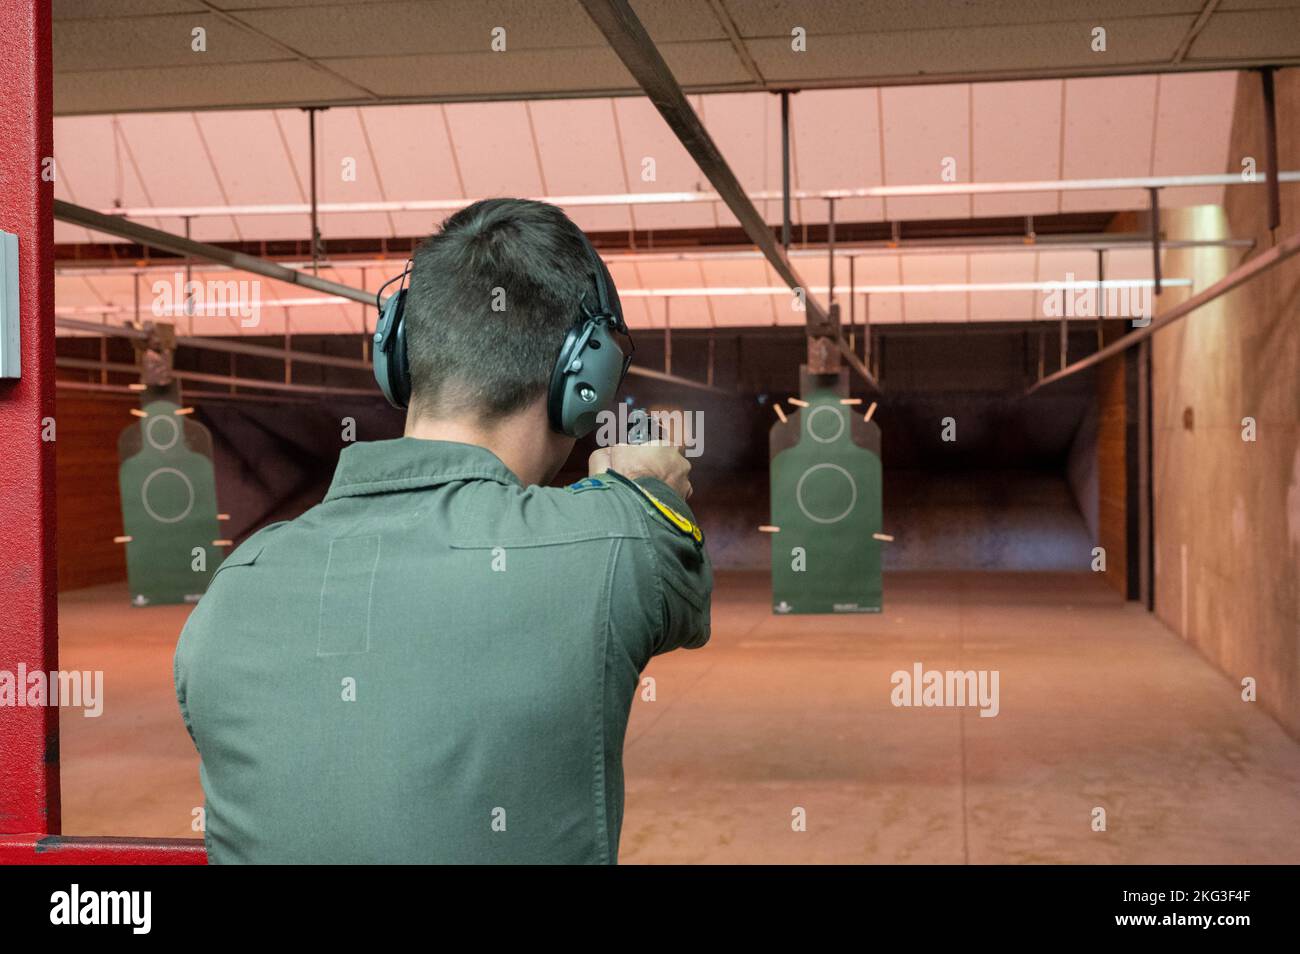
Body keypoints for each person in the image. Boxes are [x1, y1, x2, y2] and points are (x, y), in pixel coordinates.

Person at [174, 198, 712, 864]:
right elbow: (667, 552)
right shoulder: (616, 541)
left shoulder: (234, 588)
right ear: (587, 377)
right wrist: (644, 482)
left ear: (397, 351)